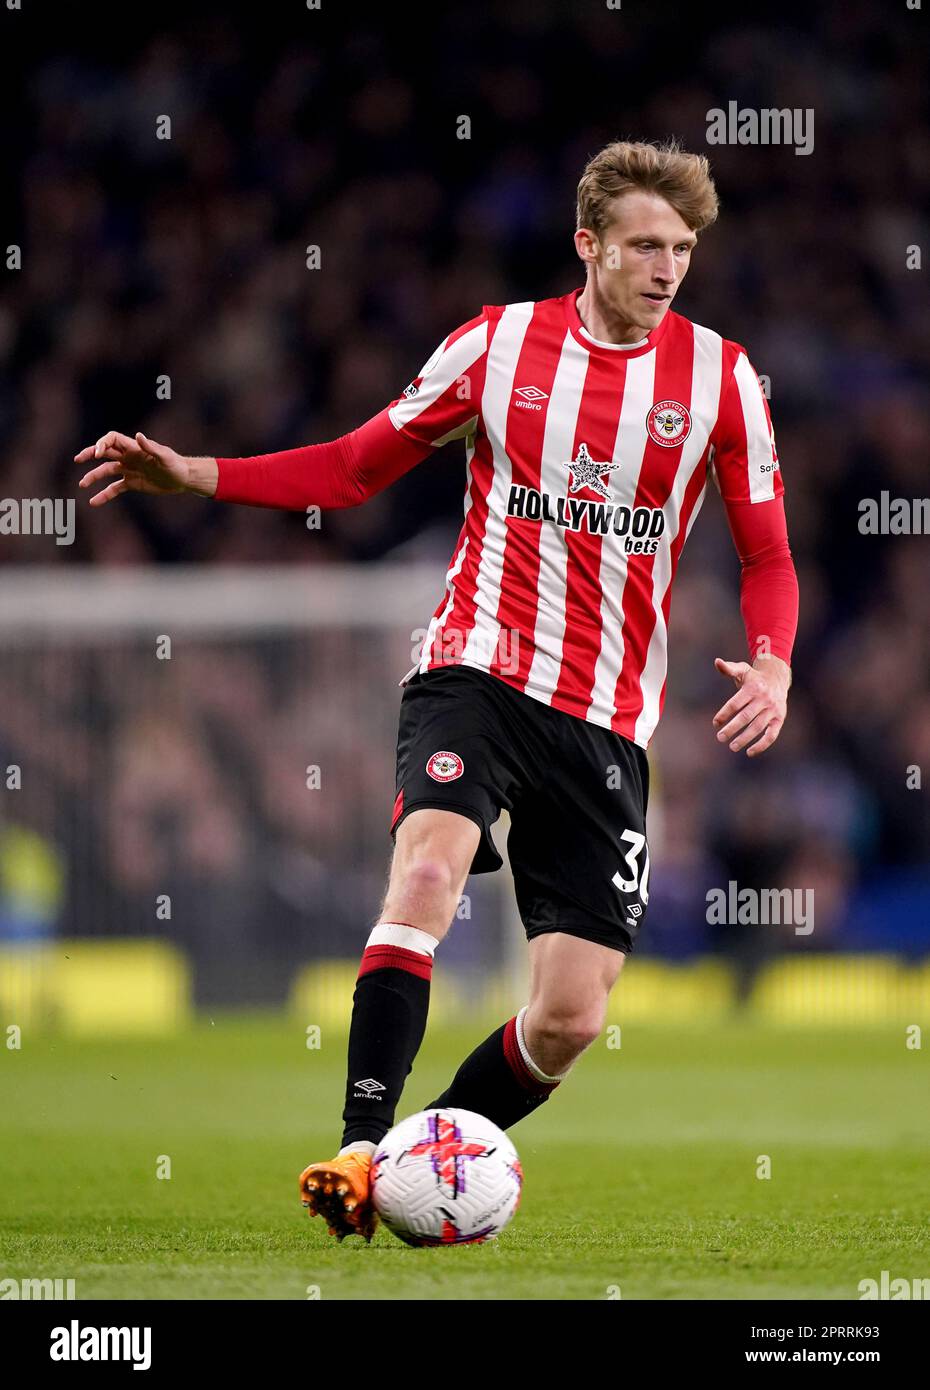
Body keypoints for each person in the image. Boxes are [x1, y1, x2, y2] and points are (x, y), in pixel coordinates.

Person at [75, 139, 798, 1244]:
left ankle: (423, 1158)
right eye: (647, 245)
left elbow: (768, 556)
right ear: (589, 244)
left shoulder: (721, 378)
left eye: (685, 248)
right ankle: (361, 1144)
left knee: (568, 1017)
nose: (667, 268)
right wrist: (198, 472)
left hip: (605, 719)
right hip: (475, 668)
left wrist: (776, 658)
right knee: (426, 869)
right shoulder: (497, 346)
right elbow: (353, 466)